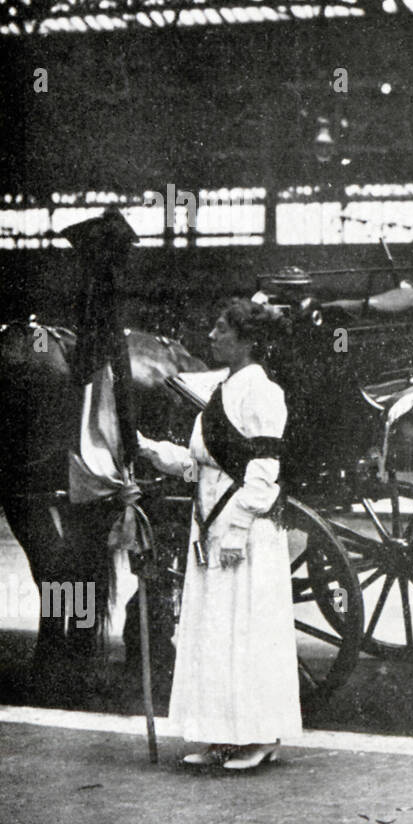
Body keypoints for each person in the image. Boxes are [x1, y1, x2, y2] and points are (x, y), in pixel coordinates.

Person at [138, 298, 300, 769]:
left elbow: (265, 467)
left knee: (247, 630)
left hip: (242, 532)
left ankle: (259, 736)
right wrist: (151, 451)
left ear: (247, 340)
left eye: (219, 328)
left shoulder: (263, 392)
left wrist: (240, 528)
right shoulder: (218, 392)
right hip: (208, 526)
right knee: (215, 630)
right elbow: (196, 466)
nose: (210, 336)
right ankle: (223, 735)